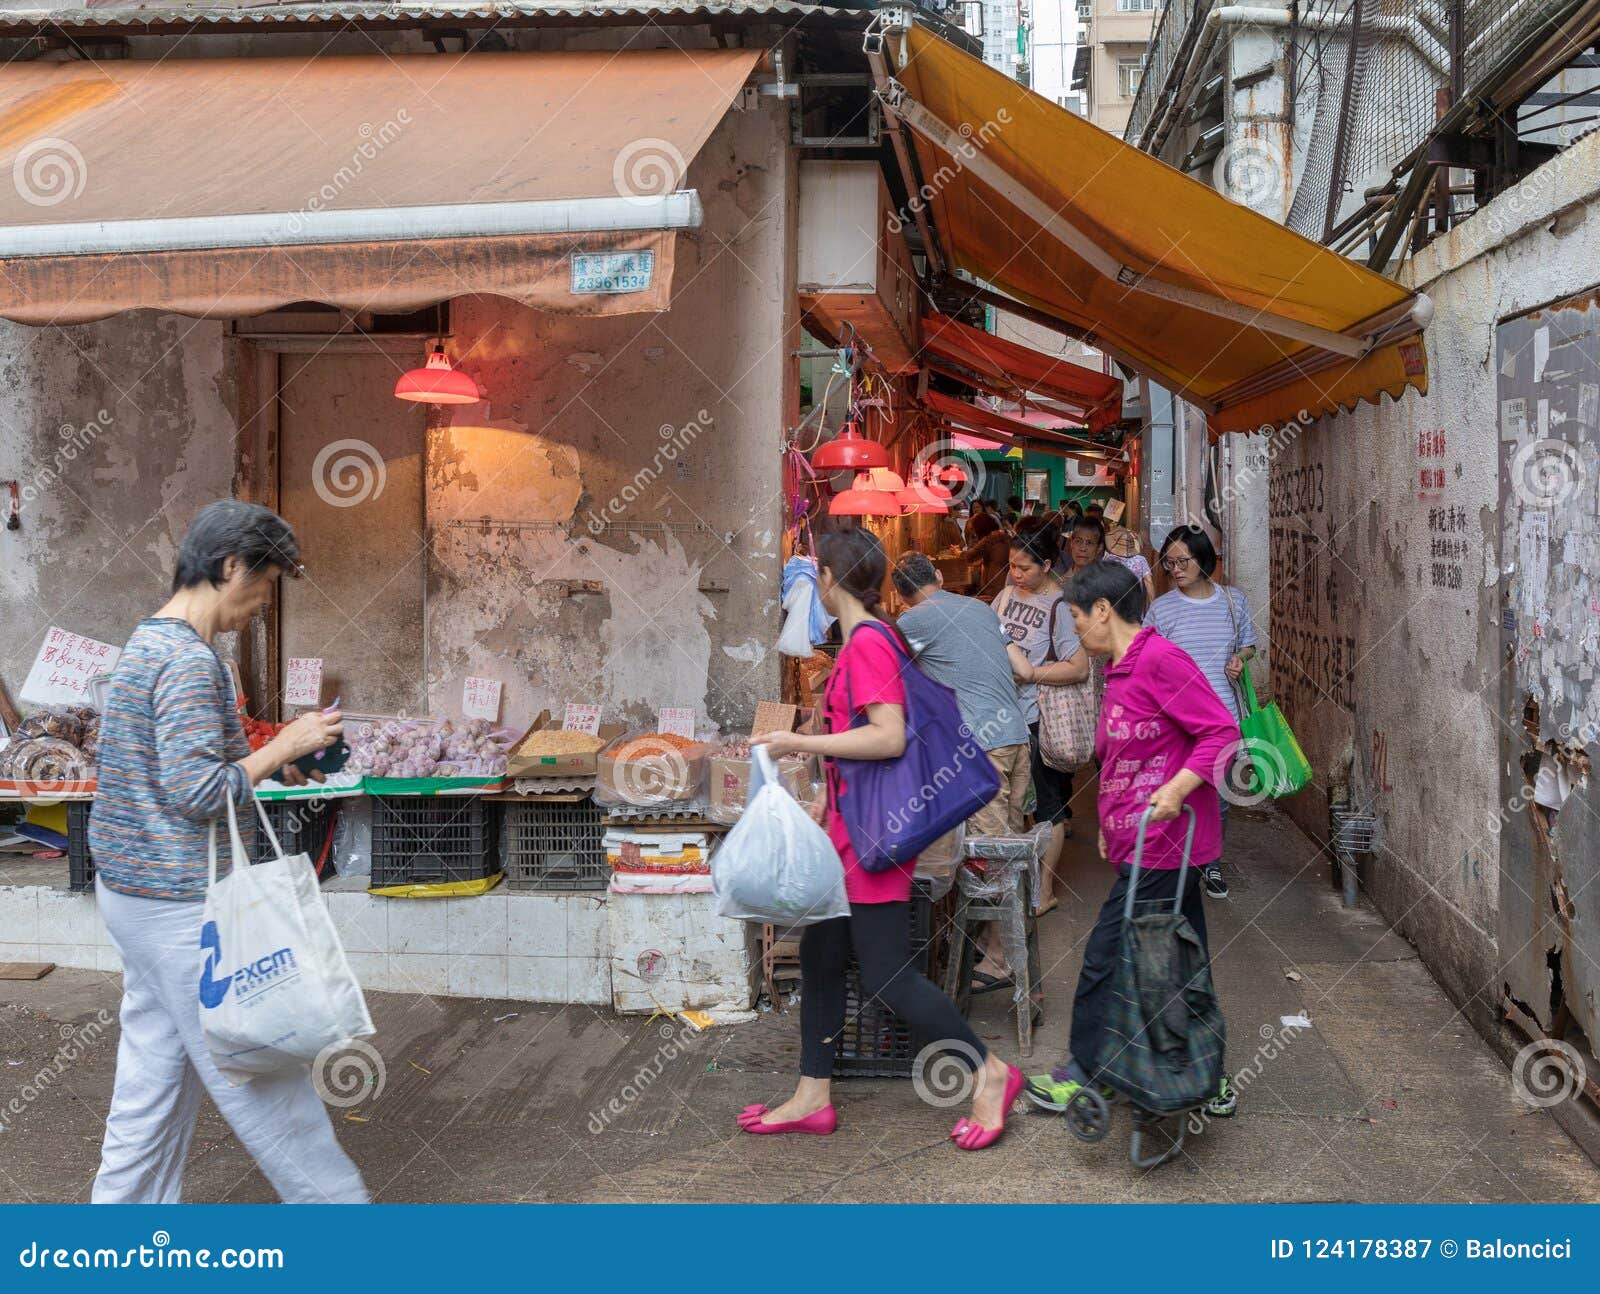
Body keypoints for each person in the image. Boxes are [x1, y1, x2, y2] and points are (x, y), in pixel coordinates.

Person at [90, 500, 366, 1204]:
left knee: (153, 1082)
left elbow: (181, 772)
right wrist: (284, 744)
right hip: (180, 903)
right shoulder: (189, 662)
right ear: (231, 565)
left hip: (134, 894)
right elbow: (196, 792)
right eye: (265, 583)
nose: (265, 602)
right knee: (262, 1076)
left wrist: (276, 763)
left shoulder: (147, 642)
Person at [749, 528, 1023, 1150]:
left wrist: (797, 742)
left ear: (827, 579)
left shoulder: (870, 641)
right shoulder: (864, 640)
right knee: (821, 959)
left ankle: (990, 1071)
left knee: (886, 975)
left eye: (816, 576)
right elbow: (859, 741)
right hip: (846, 833)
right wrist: (825, 794)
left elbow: (888, 735)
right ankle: (812, 1095)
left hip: (872, 842)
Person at [1025, 561, 1240, 1120]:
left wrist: (1177, 790)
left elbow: (1221, 732)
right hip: (1142, 841)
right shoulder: (1118, 670)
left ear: (1103, 610)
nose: (1076, 630)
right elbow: (1125, 754)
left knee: (1107, 954)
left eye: (1077, 617)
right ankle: (1205, 1075)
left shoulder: (1161, 660)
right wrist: (1109, 822)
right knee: (1180, 960)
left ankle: (1085, 1072)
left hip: (1167, 843)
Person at [894, 554, 1033, 981]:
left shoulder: (912, 622)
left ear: (901, 596)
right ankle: (993, 943)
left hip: (982, 750)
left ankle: (1000, 958)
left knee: (992, 860)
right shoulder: (981, 608)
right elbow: (1024, 669)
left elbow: (892, 681)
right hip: (1015, 737)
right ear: (938, 576)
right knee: (1007, 851)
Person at [1147, 523, 1257, 899]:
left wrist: (1240, 659)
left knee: (1217, 800)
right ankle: (1175, 863)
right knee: (1175, 793)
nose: (1175, 569)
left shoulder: (1233, 601)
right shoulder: (1161, 609)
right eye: (1169, 563)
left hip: (1223, 720)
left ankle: (1210, 862)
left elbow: (1249, 645)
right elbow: (1147, 659)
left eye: (1183, 561)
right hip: (1175, 722)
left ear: (1203, 559)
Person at [993, 523, 1088, 914]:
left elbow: (1079, 667)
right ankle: (1018, 880)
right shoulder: (1004, 596)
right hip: (1003, 718)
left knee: (1047, 806)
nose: (1016, 574)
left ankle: (1044, 891)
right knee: (1014, 802)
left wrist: (1031, 673)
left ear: (1047, 565)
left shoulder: (1061, 607)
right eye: (1012, 566)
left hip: (1038, 719)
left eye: (1024, 568)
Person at [961, 508, 1012, 600]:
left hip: (994, 580)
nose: (974, 533)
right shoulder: (1004, 535)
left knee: (992, 602)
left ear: (980, 528)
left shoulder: (989, 539)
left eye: (973, 529)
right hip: (1007, 578)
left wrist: (958, 553)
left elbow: (969, 556)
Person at [1105, 523, 1157, 605]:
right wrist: (1153, 606)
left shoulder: (1108, 559)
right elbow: (1148, 582)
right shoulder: (1140, 560)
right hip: (1135, 603)